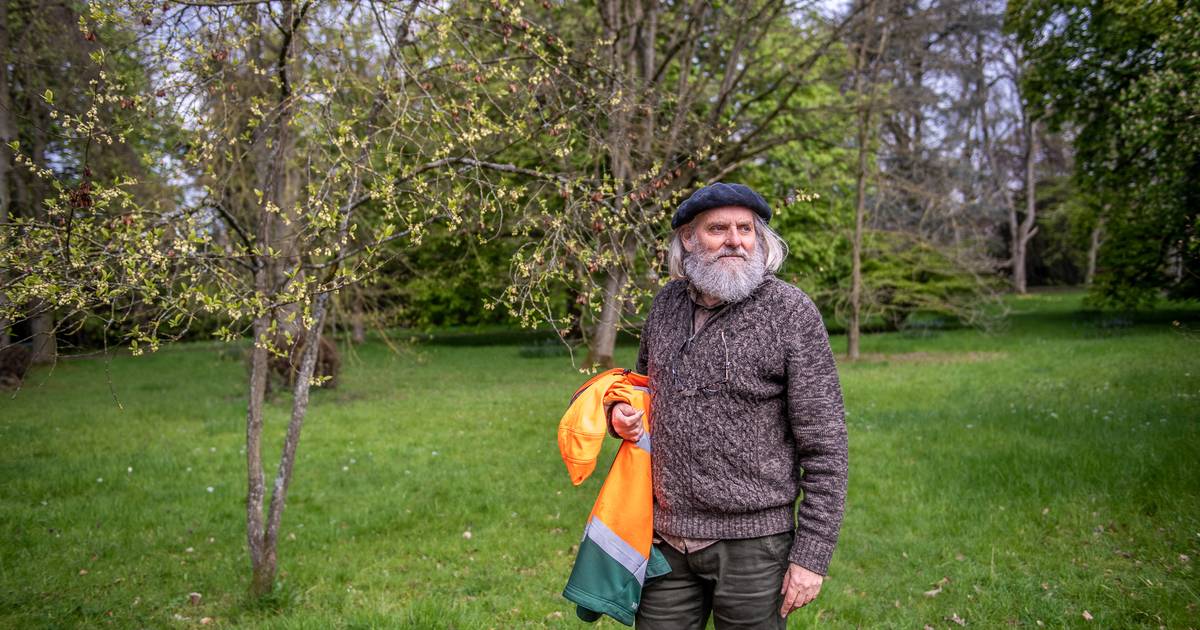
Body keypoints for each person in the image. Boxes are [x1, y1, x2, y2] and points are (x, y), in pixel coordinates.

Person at [608, 182, 848, 628]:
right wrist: (619, 416)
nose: (735, 239)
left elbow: (826, 446)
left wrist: (812, 556)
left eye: (746, 228)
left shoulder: (790, 312)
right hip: (664, 538)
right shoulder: (665, 306)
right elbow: (640, 390)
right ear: (687, 238)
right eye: (718, 228)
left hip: (755, 546)